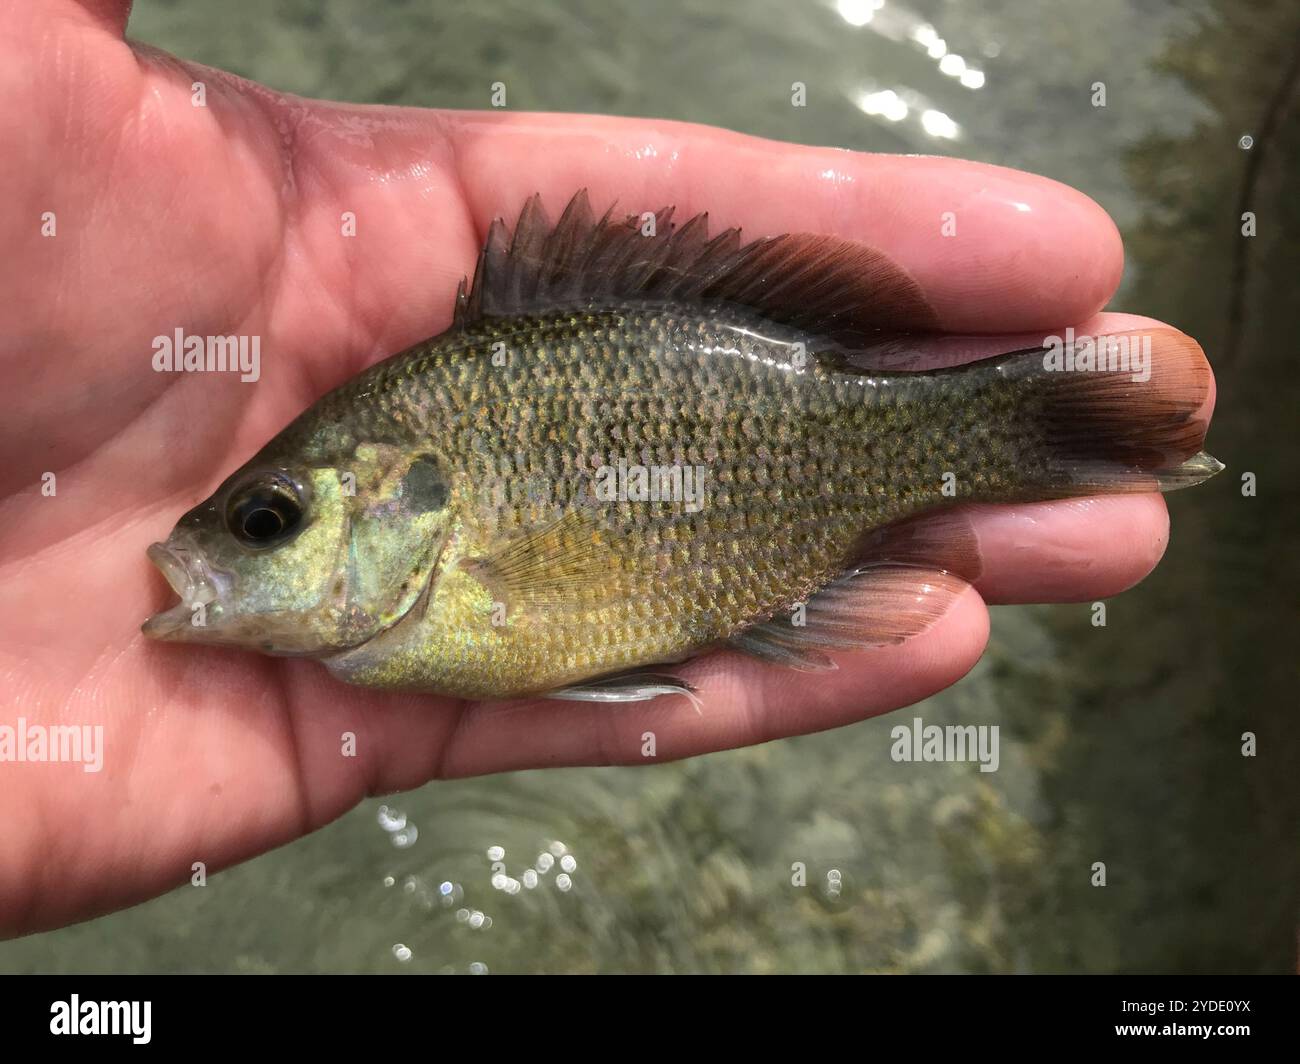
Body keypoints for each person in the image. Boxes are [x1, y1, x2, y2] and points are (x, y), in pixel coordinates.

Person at [0, 0, 1214, 937]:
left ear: (408, 505)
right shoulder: (400, 616)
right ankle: (1083, 436)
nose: (218, 552)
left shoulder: (437, 591)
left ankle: (1059, 429)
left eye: (270, 520)